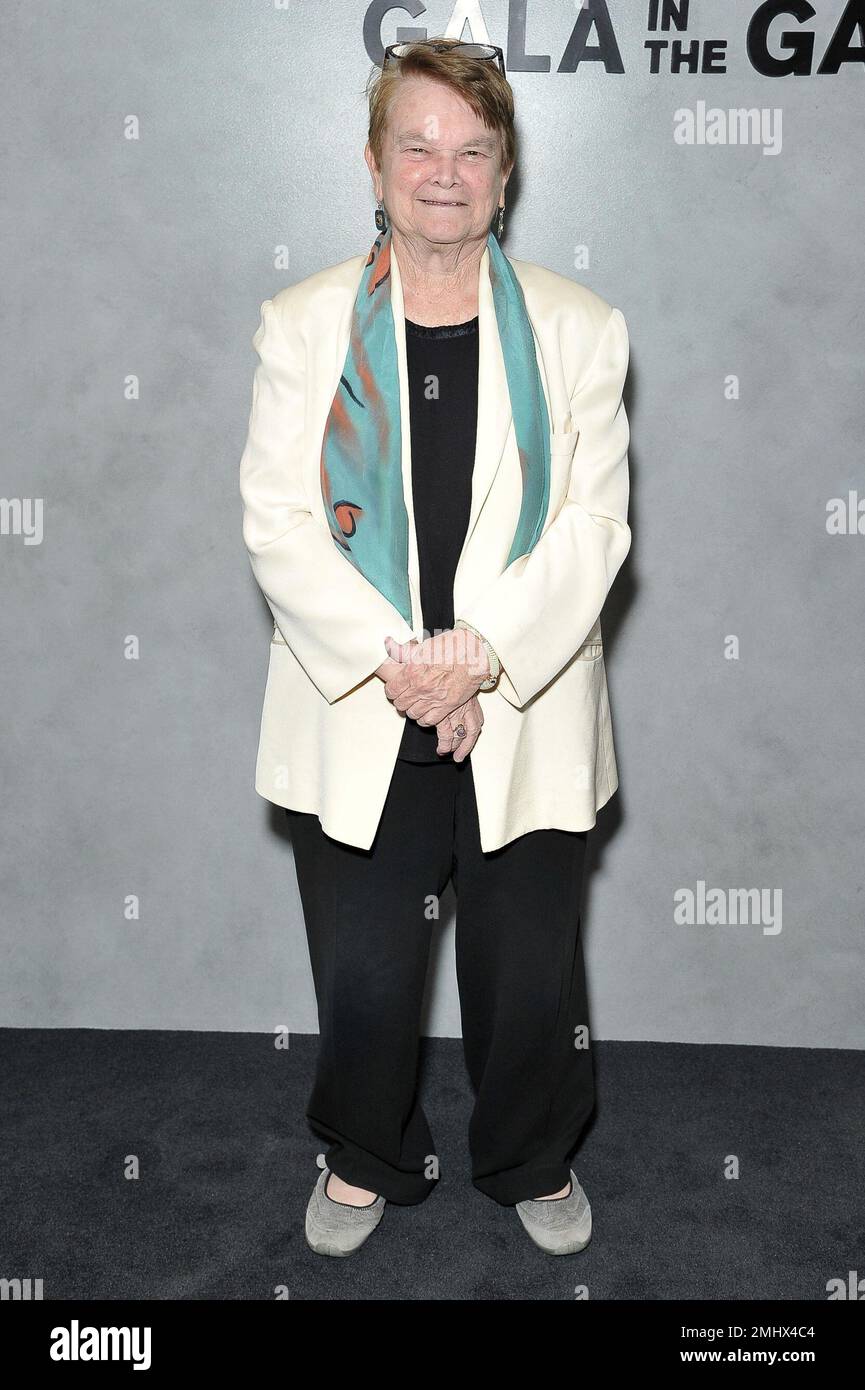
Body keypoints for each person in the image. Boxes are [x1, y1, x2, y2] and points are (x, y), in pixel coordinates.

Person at [239, 37, 631, 1257]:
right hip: (360, 699)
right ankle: (363, 1153)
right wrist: (408, 665)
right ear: (373, 162)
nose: (443, 172)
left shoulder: (579, 327)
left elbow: (594, 525)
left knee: (529, 972)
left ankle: (528, 1155)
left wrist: (478, 659)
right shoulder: (303, 324)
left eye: (472, 150)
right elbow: (279, 520)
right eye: (418, 145)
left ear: (504, 175)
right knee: (364, 965)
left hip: (526, 696)